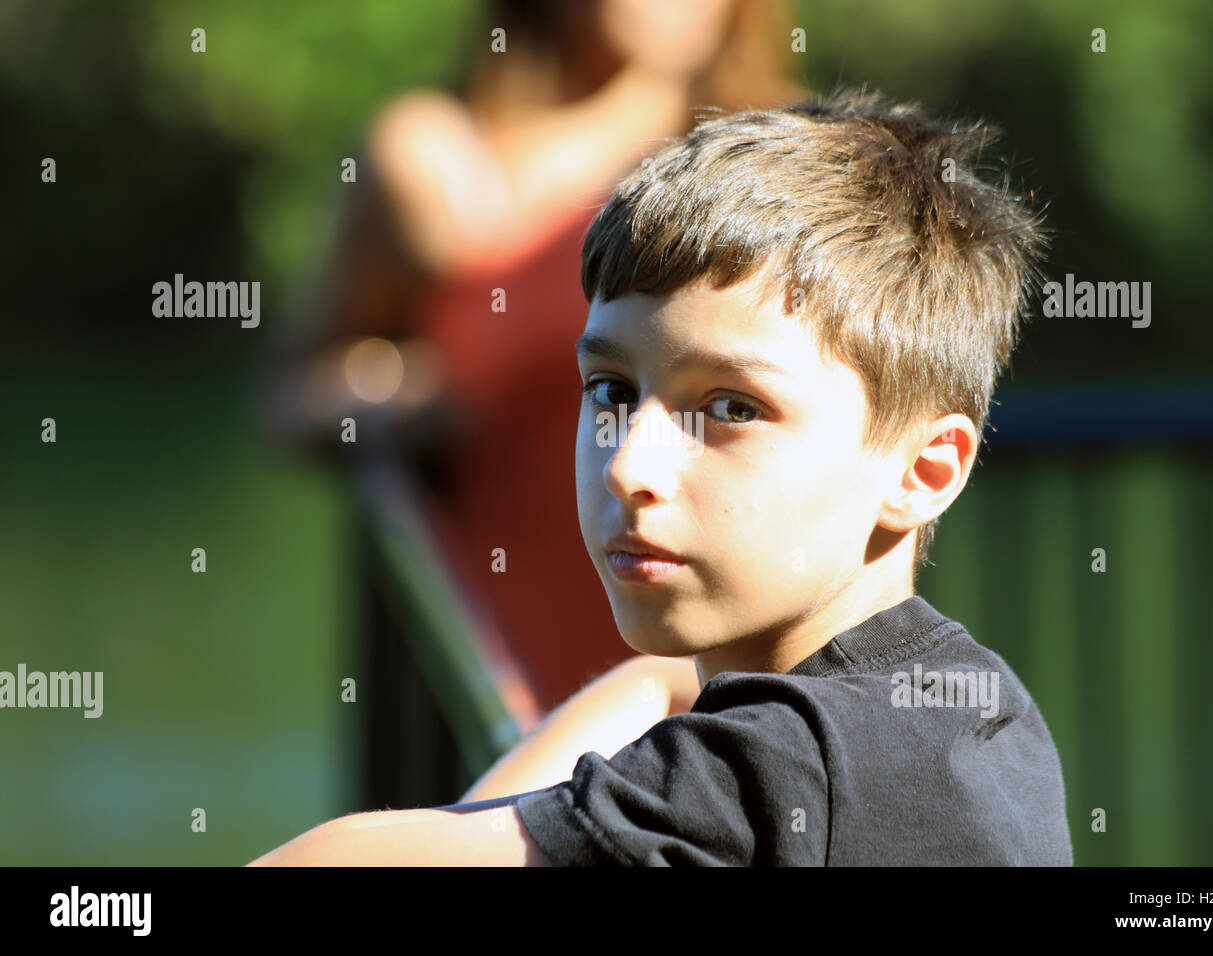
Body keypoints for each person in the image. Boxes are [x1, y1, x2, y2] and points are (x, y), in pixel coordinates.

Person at [249, 85, 1073, 866]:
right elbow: (666, 680)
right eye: (610, 391)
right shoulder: (975, 705)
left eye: (732, 408)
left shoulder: (762, 775)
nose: (630, 464)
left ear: (924, 470)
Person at [265, 0, 806, 718]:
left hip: (741, 698)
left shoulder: (789, 156)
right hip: (508, 688)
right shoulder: (439, 161)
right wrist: (391, 391)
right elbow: (292, 393)